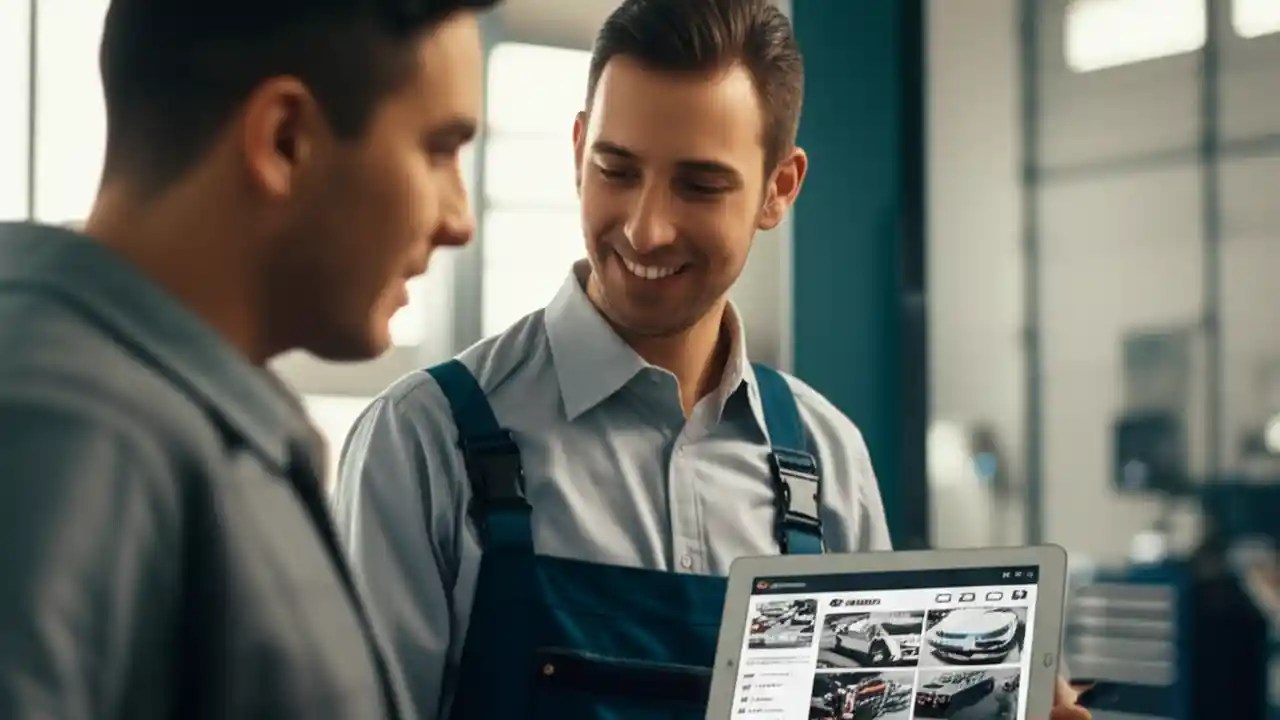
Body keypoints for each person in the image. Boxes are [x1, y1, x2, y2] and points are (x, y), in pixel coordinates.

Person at [332, 1, 1092, 719]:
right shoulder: (423, 443)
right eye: (617, 169)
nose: (646, 228)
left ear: (778, 189)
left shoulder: (827, 462)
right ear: (576, 153)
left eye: (699, 185)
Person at [0, 0, 495, 717]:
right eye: (438, 150)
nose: (459, 219)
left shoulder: (173, 421)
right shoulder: (69, 434)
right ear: (286, 139)